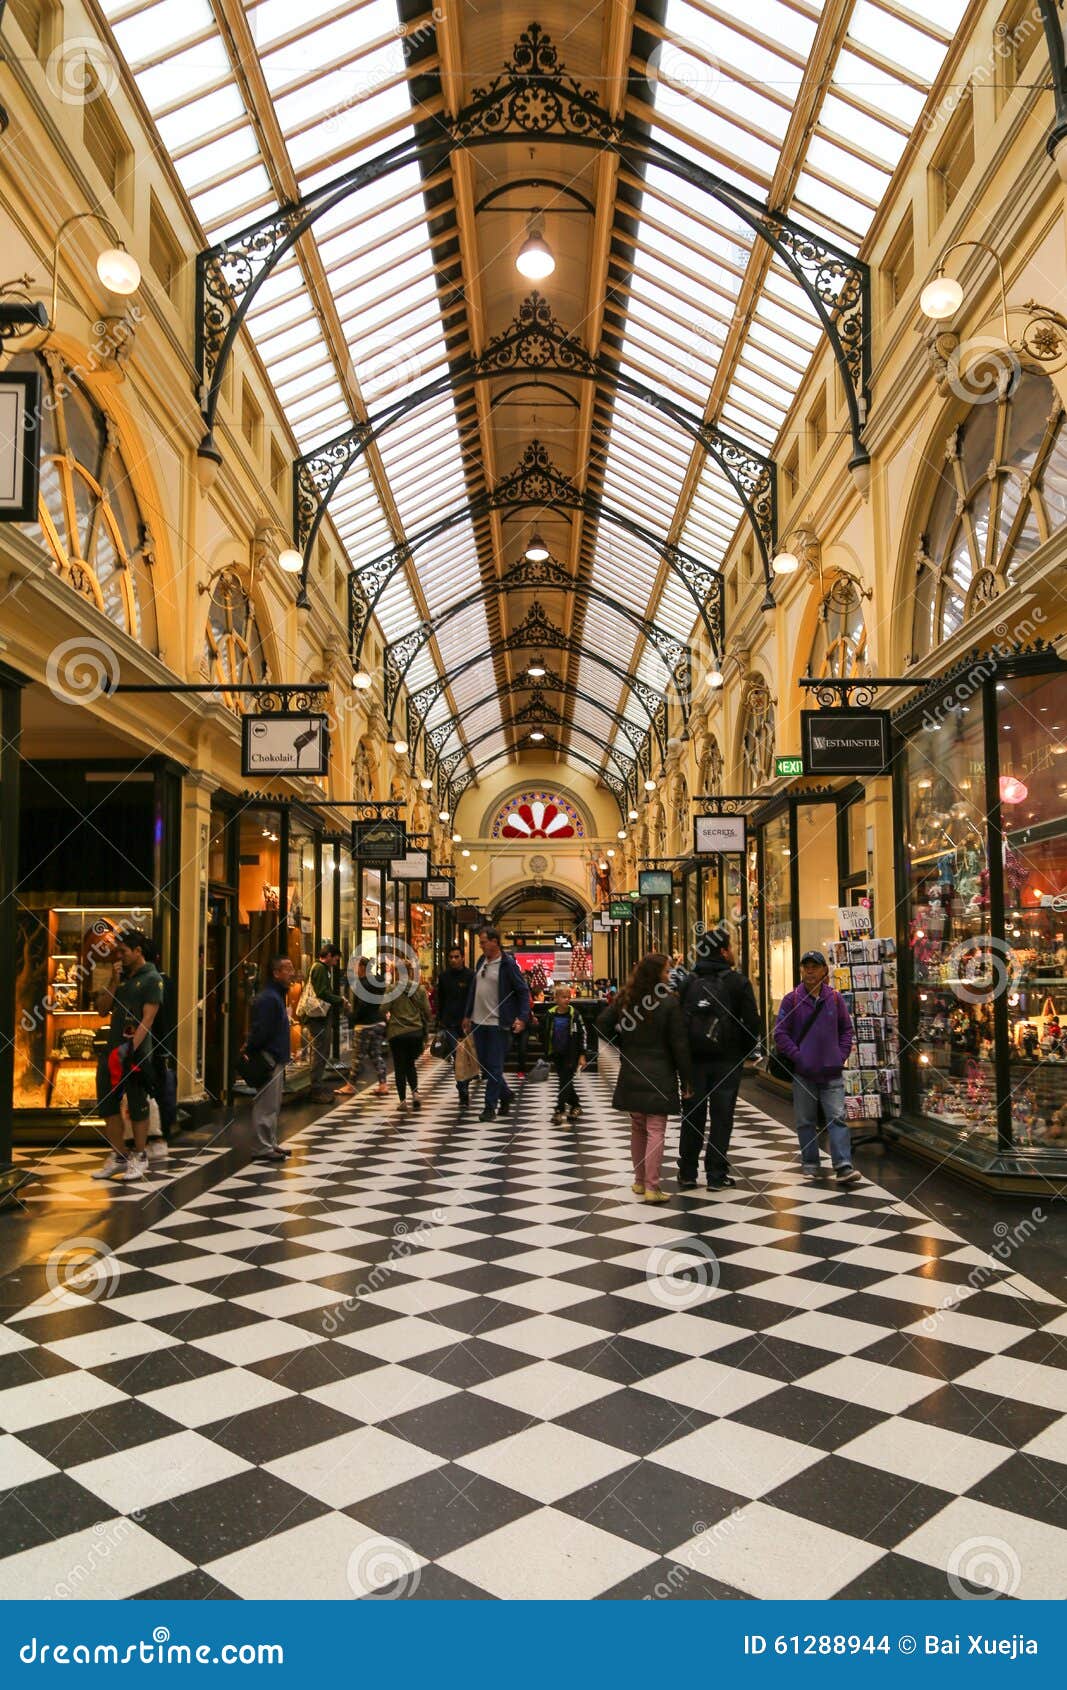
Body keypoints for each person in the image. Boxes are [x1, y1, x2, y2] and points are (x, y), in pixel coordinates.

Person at [597, 952, 692, 1203]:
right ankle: (653, 1186)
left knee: (637, 1127)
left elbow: (601, 1024)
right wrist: (687, 1080)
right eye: (666, 970)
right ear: (655, 974)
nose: (669, 974)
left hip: (631, 1070)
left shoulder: (625, 999)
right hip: (660, 1073)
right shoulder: (669, 1002)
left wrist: (623, 1042)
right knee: (656, 1129)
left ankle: (640, 1182)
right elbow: (679, 1044)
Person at [677, 926, 761, 1191]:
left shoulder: (688, 982)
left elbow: (677, 1024)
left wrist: (682, 1058)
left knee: (693, 1116)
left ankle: (688, 1172)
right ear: (724, 951)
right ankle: (715, 1174)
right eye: (731, 948)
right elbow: (752, 1023)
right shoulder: (738, 982)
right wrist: (744, 1052)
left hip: (693, 1063)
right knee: (722, 1117)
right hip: (727, 1060)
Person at [774, 949, 861, 1187]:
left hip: (831, 1072)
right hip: (804, 1073)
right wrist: (799, 1057)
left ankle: (843, 1165)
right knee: (805, 1120)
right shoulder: (792, 999)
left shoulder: (834, 998)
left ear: (824, 970)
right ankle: (810, 1163)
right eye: (806, 966)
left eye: (815, 966)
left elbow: (846, 1030)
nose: (810, 970)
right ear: (801, 970)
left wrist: (841, 1054)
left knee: (837, 1118)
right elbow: (780, 1033)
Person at [91, 929, 163, 1183]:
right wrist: (113, 980)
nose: (118, 955)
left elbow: (148, 1019)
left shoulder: (152, 978)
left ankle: (140, 1155)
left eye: (123, 951)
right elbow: (102, 1010)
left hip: (135, 1053)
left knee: (137, 1104)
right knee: (108, 1103)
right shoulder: (120, 978)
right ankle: (119, 1155)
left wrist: (131, 1049)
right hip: (111, 1050)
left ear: (137, 951)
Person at [462, 927, 531, 1122]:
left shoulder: (507, 964)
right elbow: (474, 989)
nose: (481, 945)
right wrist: (467, 1014)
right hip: (478, 1022)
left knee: (494, 1066)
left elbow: (522, 991)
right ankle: (506, 1094)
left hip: (497, 1024)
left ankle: (489, 1107)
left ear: (495, 942)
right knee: (485, 1065)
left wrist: (522, 1017)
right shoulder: (481, 961)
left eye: (484, 942)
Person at [246, 956, 295, 1162]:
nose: (292, 973)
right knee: (266, 1103)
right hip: (270, 1056)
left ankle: (270, 1142)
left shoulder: (276, 996)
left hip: (277, 1056)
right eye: (288, 969)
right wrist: (251, 1047)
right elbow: (261, 1030)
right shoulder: (269, 998)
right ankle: (261, 1146)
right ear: (276, 973)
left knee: (273, 1104)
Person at [339, 953, 389, 1097]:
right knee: (375, 1054)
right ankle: (383, 1084)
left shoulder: (362, 984)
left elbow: (362, 1007)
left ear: (362, 967)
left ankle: (350, 1086)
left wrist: (350, 1014)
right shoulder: (376, 982)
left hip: (365, 1025)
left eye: (355, 966)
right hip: (379, 1022)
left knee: (357, 1056)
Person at [386, 963, 432, 1110]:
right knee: (410, 1064)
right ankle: (415, 1094)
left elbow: (382, 1009)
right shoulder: (419, 989)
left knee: (399, 1067)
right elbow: (427, 1011)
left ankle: (402, 1101)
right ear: (411, 972)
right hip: (415, 1033)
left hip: (397, 1033)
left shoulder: (392, 989)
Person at [435, 944, 475, 1113]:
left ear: (462, 957)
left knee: (468, 1059)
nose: (453, 960)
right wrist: (440, 1021)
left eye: (456, 956)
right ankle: (463, 1091)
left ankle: (465, 1085)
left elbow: (473, 999)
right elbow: (440, 999)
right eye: (450, 957)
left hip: (467, 1025)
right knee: (459, 1058)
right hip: (450, 1024)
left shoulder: (471, 976)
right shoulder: (444, 977)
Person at [541, 982, 587, 1125]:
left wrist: (582, 1054)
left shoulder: (575, 1014)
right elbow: (544, 1031)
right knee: (565, 1081)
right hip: (557, 1053)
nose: (567, 999)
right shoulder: (550, 1014)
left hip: (571, 1054)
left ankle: (559, 1109)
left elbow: (583, 1034)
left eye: (569, 997)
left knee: (564, 1081)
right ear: (556, 998)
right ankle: (576, 1105)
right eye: (563, 997)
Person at [308, 940, 345, 1102]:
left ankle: (317, 1084)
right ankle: (315, 1088)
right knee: (319, 1051)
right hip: (317, 1017)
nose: (336, 963)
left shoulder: (323, 969)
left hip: (321, 1016)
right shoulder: (320, 968)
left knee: (321, 1051)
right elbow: (322, 992)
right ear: (329, 956)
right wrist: (340, 1000)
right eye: (336, 959)